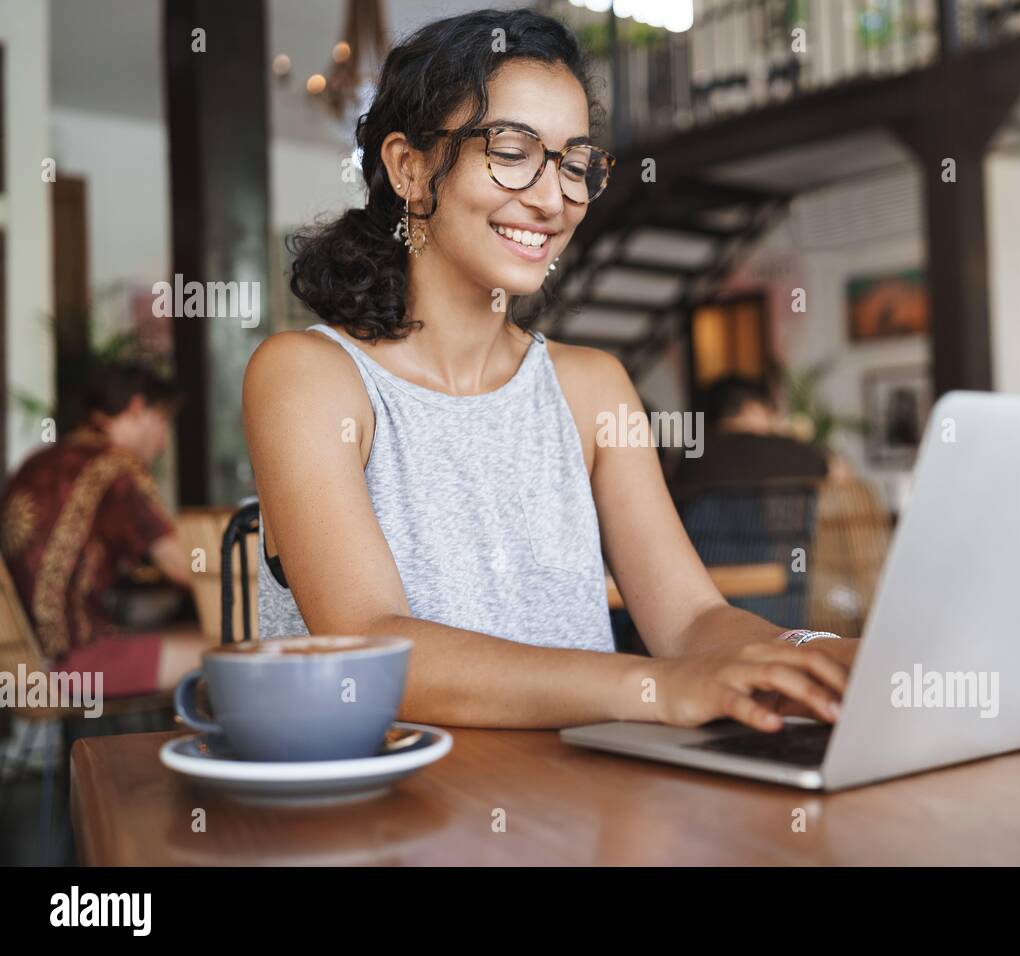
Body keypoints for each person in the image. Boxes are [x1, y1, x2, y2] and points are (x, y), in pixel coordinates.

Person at [244, 8, 857, 735]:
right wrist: (659, 690)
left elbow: (692, 618)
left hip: (576, 808)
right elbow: (373, 647)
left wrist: (816, 655)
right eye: (511, 149)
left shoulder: (592, 388)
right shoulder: (310, 378)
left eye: (574, 162)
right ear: (408, 167)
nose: (552, 197)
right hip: (383, 819)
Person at [0, 364, 206, 697]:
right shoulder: (116, 466)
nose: (163, 442)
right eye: (163, 421)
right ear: (138, 408)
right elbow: (184, 567)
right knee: (231, 649)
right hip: (74, 665)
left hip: (18, 668)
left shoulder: (38, 462)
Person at [668, 374, 829, 492]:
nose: (773, 418)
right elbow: (827, 470)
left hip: (696, 538)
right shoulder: (786, 452)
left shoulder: (690, 457)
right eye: (769, 410)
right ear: (751, 409)